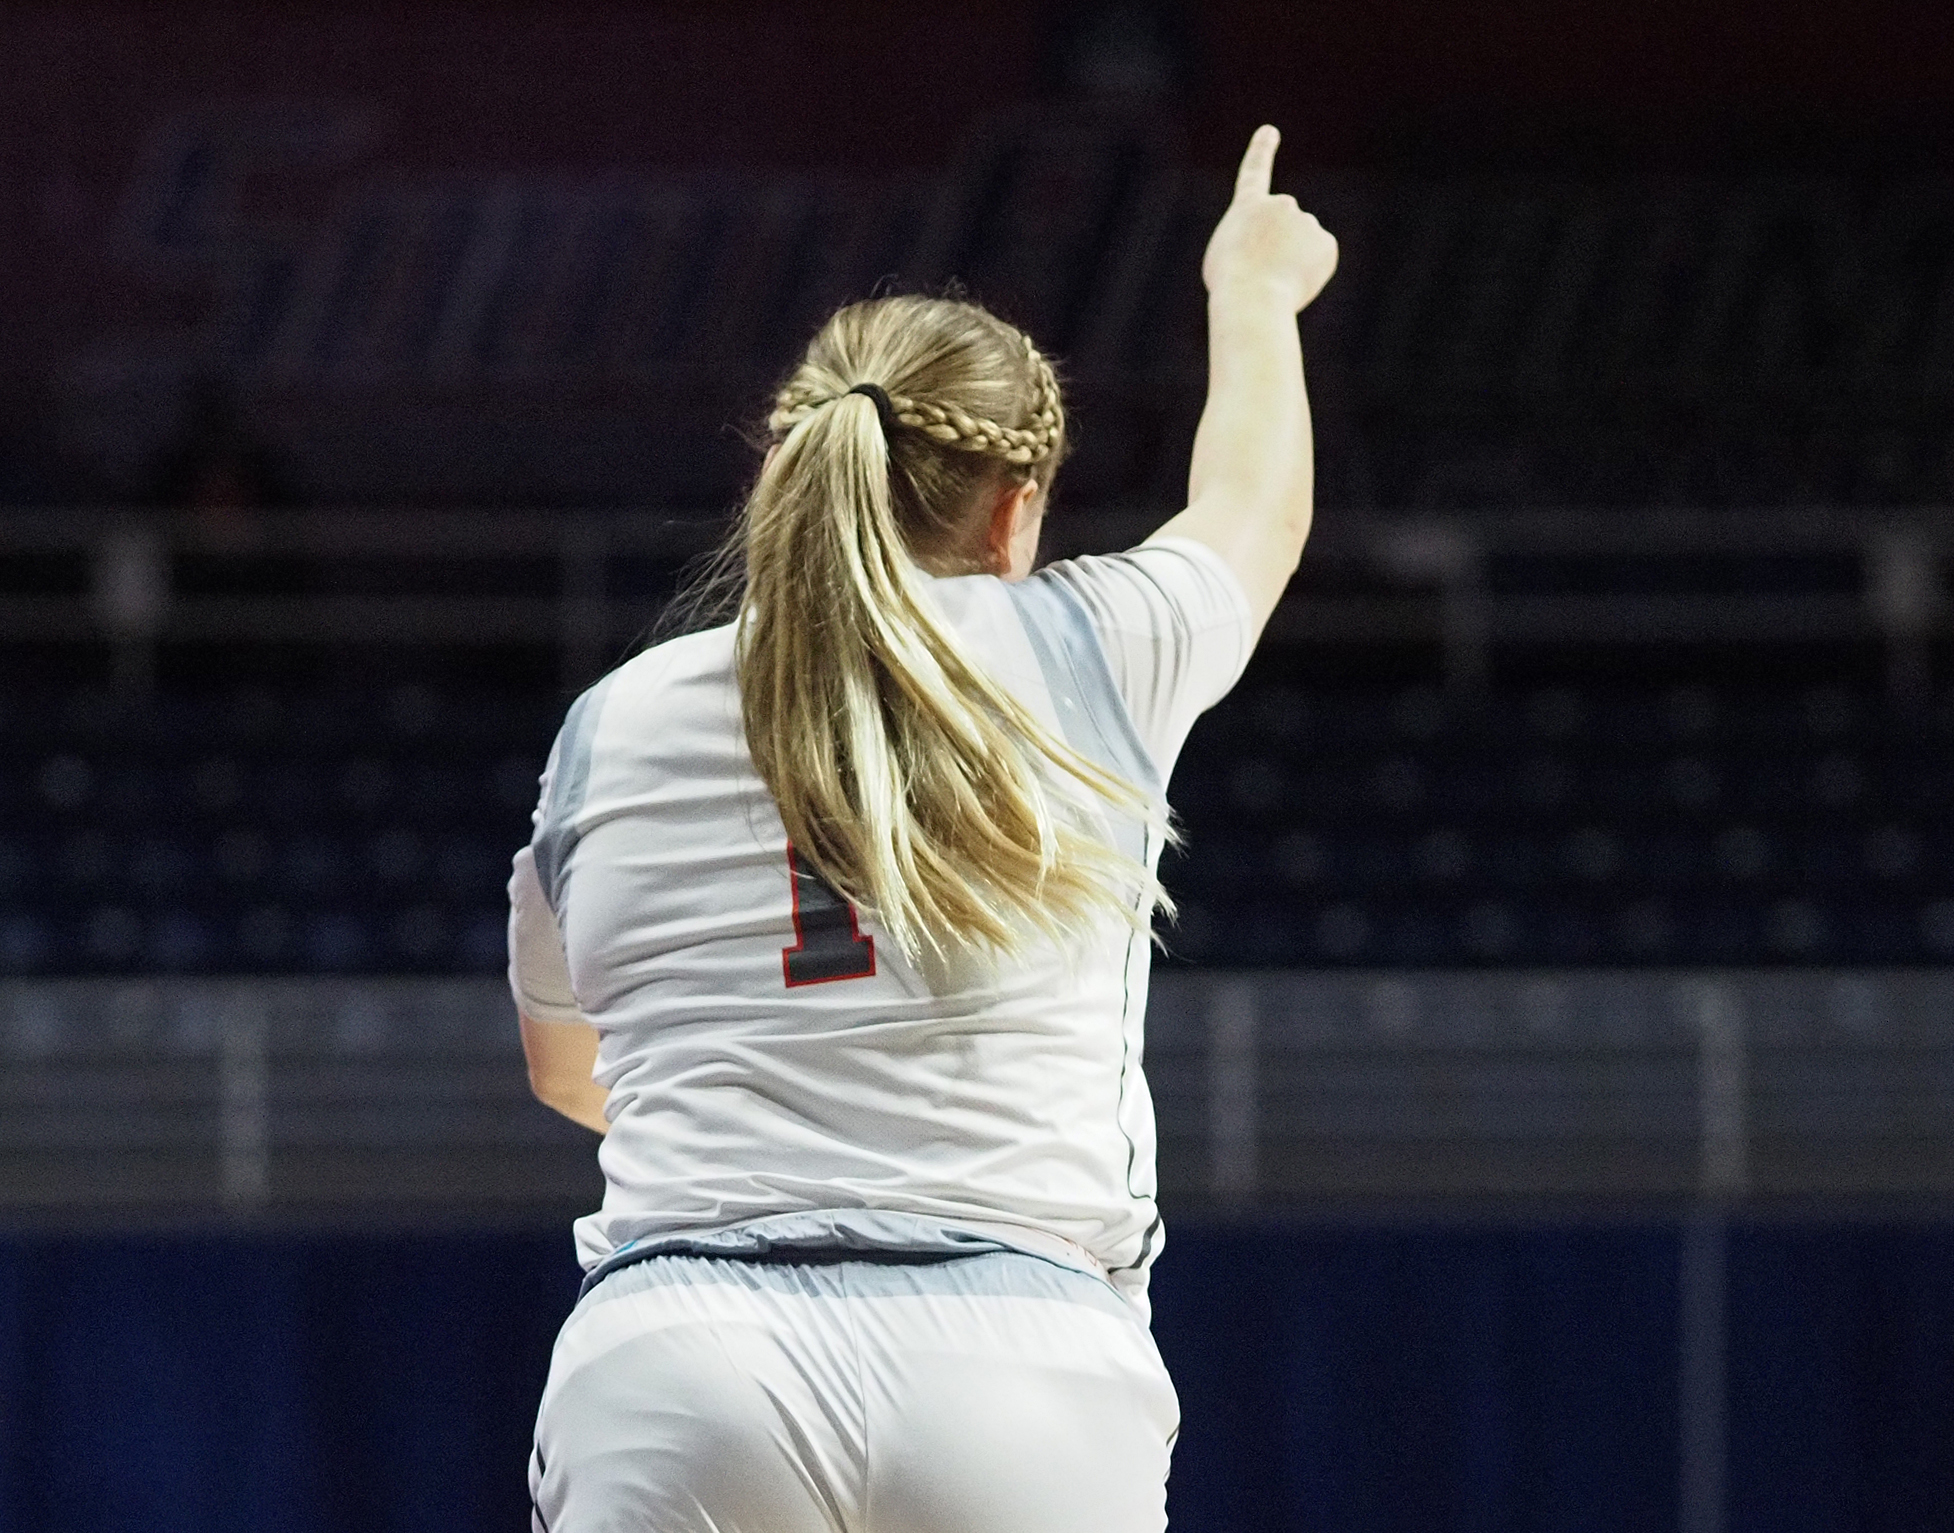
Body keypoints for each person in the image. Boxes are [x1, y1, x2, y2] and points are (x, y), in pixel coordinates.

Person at [507, 124, 1336, 1533]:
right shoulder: (1093, 648)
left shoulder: (613, 724)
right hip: (1019, 1367)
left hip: (681, 1362)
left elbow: (568, 1068)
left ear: (785, 475)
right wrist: (1251, 295)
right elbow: (1251, 510)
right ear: (1015, 514)